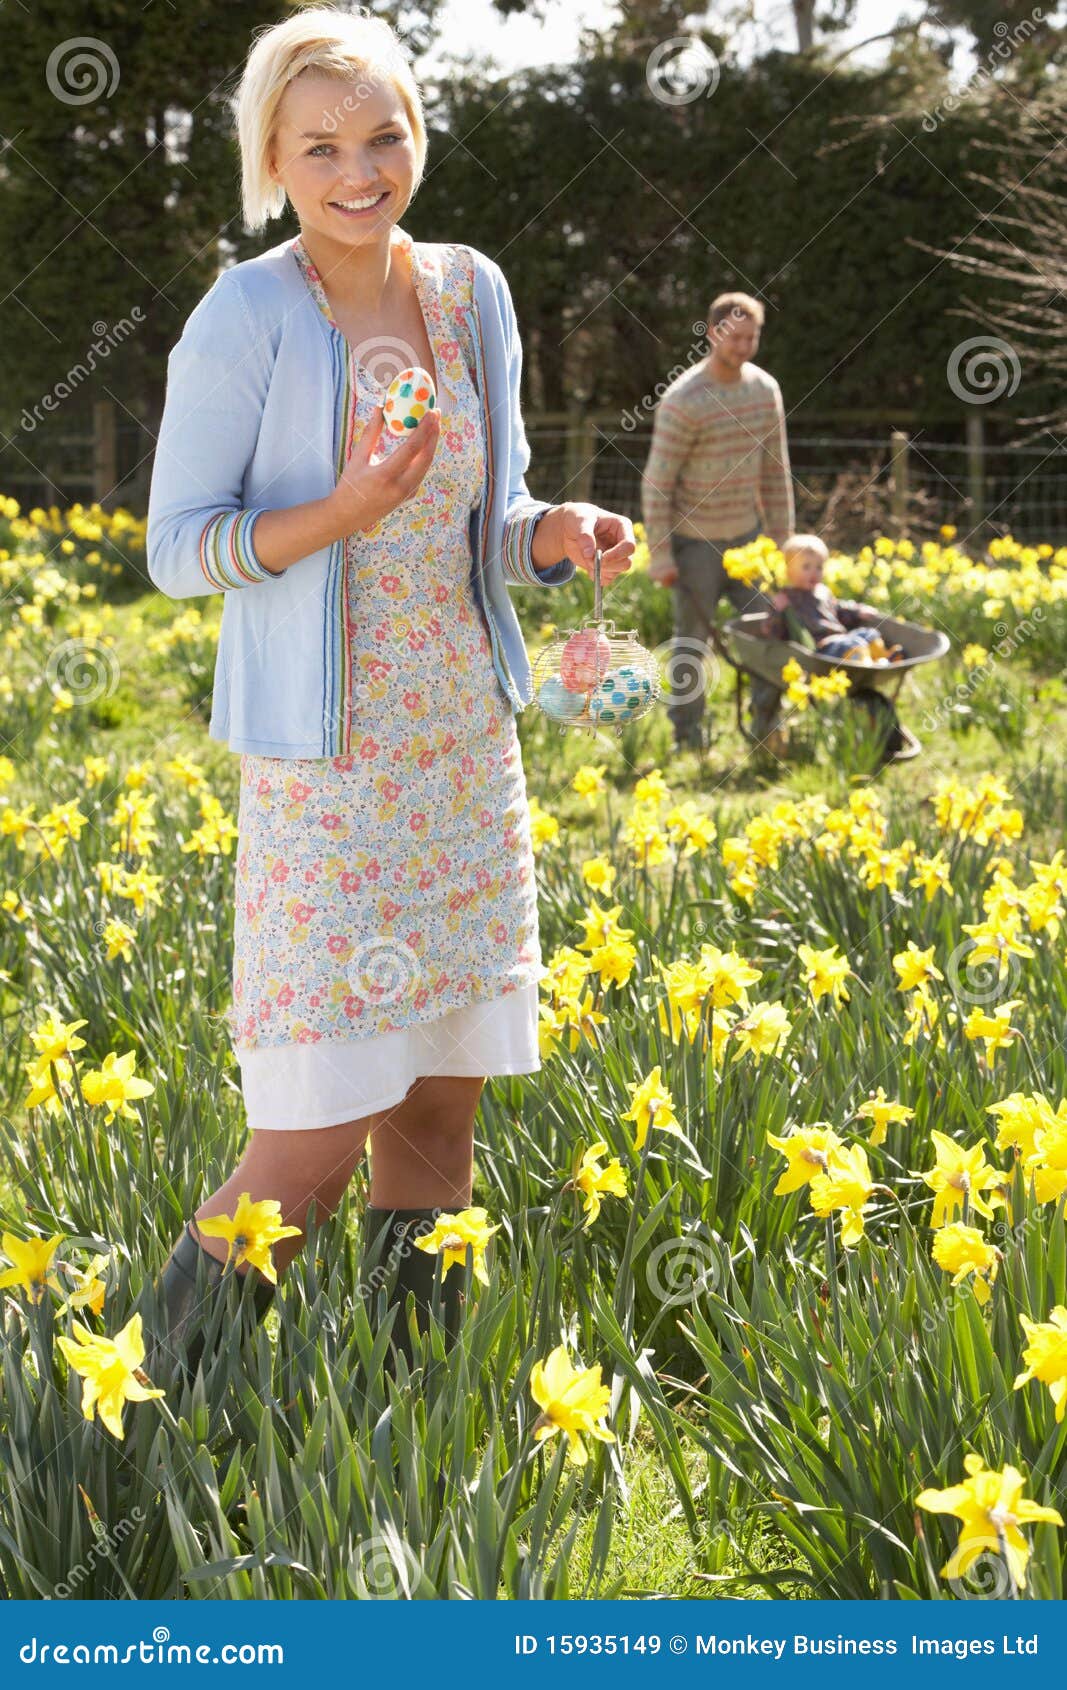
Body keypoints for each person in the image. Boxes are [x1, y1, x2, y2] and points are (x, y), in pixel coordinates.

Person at [142, 6, 634, 1382]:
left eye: (383, 136)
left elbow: (500, 505)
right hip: (328, 768)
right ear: (274, 159)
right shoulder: (245, 314)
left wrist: (555, 532)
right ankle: (152, 1424)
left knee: (438, 1098)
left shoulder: (470, 295)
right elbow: (179, 549)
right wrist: (342, 506)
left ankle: (402, 1418)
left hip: (460, 754)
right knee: (305, 1129)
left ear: (416, 134)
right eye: (320, 147)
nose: (358, 171)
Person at [640, 293, 795, 754]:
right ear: (712, 334)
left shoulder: (764, 391)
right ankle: (687, 737)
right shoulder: (684, 400)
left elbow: (774, 470)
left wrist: (783, 541)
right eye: (734, 336)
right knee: (691, 643)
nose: (744, 345)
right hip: (694, 543)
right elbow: (657, 484)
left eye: (752, 337)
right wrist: (662, 554)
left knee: (770, 631)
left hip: (748, 539)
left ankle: (767, 729)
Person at [758, 534, 904, 664]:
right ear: (789, 571)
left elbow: (839, 608)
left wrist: (857, 611)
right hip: (821, 648)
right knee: (852, 645)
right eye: (806, 567)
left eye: (819, 567)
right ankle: (867, 664)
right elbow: (771, 631)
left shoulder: (823, 591)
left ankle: (883, 656)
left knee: (869, 633)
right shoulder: (785, 598)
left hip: (841, 638)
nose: (814, 572)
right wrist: (778, 611)